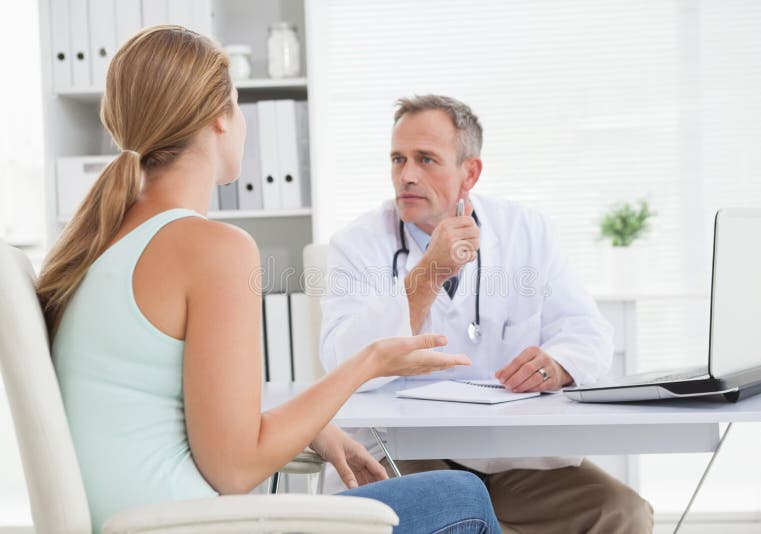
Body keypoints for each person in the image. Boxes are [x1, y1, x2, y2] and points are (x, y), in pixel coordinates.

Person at [36, 27, 501, 534]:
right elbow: (234, 468)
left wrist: (315, 427)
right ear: (218, 118)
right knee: (464, 496)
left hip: (152, 520)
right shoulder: (212, 247)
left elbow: (194, 417)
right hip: (192, 525)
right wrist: (369, 362)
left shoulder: (103, 243)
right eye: (237, 106)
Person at [320, 94, 654, 533]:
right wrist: (430, 272)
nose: (407, 175)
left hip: (516, 455)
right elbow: (342, 361)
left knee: (622, 512)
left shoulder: (528, 231)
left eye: (426, 159)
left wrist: (557, 364)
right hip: (408, 451)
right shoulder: (357, 243)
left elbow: (587, 331)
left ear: (469, 173)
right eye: (398, 159)